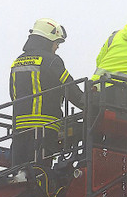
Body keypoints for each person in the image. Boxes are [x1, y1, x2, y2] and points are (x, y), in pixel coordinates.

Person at [9, 18, 85, 169]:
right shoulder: (51, 60)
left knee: (20, 173)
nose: (57, 47)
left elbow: (13, 93)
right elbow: (69, 88)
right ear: (48, 40)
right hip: (45, 128)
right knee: (40, 173)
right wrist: (89, 103)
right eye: (56, 42)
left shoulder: (17, 62)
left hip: (19, 129)